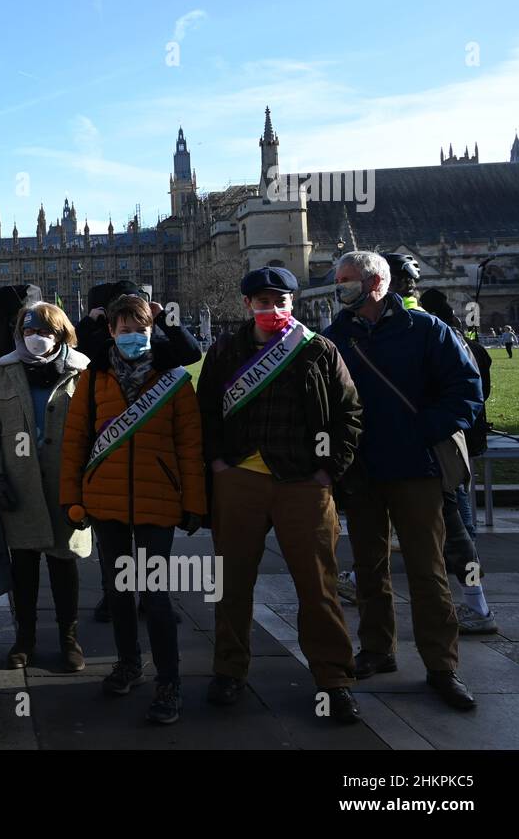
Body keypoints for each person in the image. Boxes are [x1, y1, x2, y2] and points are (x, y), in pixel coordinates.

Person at [197, 267, 364, 723]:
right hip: (240, 480)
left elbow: (349, 412)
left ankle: (334, 679)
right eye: (262, 300)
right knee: (231, 585)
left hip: (302, 484)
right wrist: (218, 463)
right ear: (247, 304)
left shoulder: (318, 350)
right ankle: (229, 671)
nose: (271, 308)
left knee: (318, 587)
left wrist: (328, 470)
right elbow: (206, 412)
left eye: (280, 300)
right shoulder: (225, 351)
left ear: (292, 303)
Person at [324, 251, 481, 711]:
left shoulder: (425, 330)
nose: (339, 288)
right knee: (369, 566)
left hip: (415, 469)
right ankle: (377, 649)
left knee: (426, 569)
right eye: (338, 281)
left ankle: (442, 665)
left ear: (376, 284)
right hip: (364, 470)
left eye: (347, 280)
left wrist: (425, 430)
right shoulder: (337, 337)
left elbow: (466, 388)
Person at [60, 294, 206, 724]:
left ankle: (169, 680)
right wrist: (73, 498)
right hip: (105, 502)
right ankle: (128, 663)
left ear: (151, 330)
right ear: (111, 332)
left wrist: (195, 503)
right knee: (119, 591)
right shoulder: (94, 377)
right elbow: (75, 442)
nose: (131, 337)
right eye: (123, 330)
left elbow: (190, 445)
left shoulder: (174, 379)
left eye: (139, 329)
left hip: (157, 503)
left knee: (156, 597)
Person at [75, 280, 200, 625]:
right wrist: (91, 321)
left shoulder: (159, 342)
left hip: (154, 472)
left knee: (153, 554)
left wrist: (164, 320)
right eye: (123, 324)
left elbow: (192, 353)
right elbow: (80, 351)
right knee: (112, 553)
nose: (132, 332)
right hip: (110, 468)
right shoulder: (102, 345)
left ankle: (153, 600)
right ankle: (112, 597)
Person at [0, 301, 92, 671]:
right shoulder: (4, 374)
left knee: (64, 568)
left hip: (66, 488)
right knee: (23, 570)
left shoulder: (84, 372)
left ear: (61, 335)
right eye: (29, 332)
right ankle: (24, 639)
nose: (36, 339)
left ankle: (69, 639)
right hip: (20, 488)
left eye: (44, 332)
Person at [404, 289, 497, 635]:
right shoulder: (456, 337)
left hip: (437, 450)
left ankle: (477, 605)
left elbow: (469, 391)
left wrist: (434, 426)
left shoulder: (433, 337)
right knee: (459, 528)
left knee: (457, 530)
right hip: (448, 447)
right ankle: (476, 601)